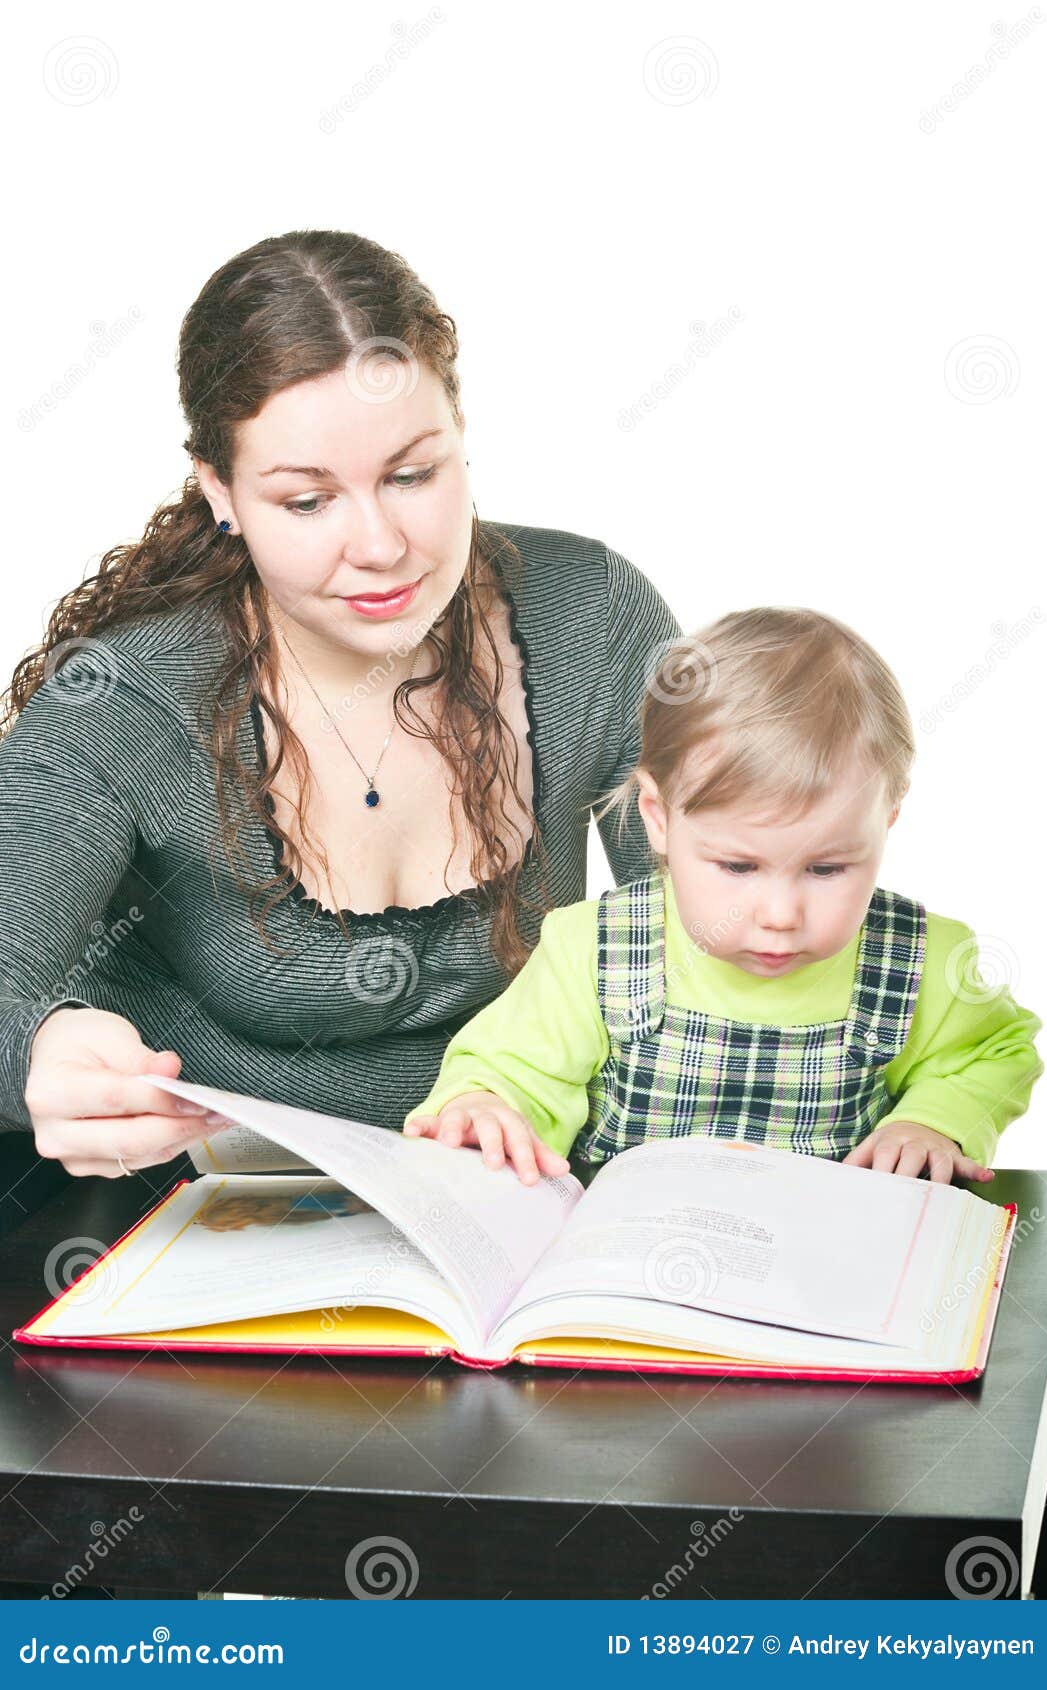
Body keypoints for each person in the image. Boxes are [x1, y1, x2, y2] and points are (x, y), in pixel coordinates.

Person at [0, 229, 680, 1191]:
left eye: (412, 476)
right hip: (191, 1214)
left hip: (520, 1199)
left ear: (460, 436)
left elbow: (729, 921)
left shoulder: (594, 615)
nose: (380, 545)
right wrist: (43, 1044)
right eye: (308, 501)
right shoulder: (125, 696)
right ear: (219, 492)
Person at [402, 608, 1043, 1185]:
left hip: (823, 1274)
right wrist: (485, 1105)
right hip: (623, 1265)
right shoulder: (593, 950)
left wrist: (935, 1122)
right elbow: (515, 1067)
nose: (780, 916)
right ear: (659, 816)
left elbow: (995, 1054)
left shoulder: (922, 960)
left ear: (887, 822)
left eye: (827, 870)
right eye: (738, 866)